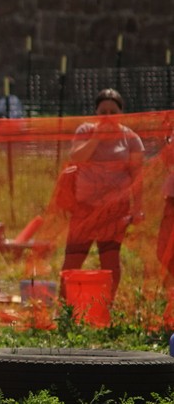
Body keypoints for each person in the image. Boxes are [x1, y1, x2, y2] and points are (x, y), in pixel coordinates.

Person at [61, 88, 143, 299]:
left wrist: (138, 208)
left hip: (114, 212)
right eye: (103, 111)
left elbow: (137, 176)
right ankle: (65, 309)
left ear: (121, 113)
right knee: (73, 259)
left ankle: (106, 306)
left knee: (110, 261)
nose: (108, 115)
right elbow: (77, 158)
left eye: (112, 111)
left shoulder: (131, 138)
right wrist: (97, 137)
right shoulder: (85, 131)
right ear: (96, 112)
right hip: (84, 209)